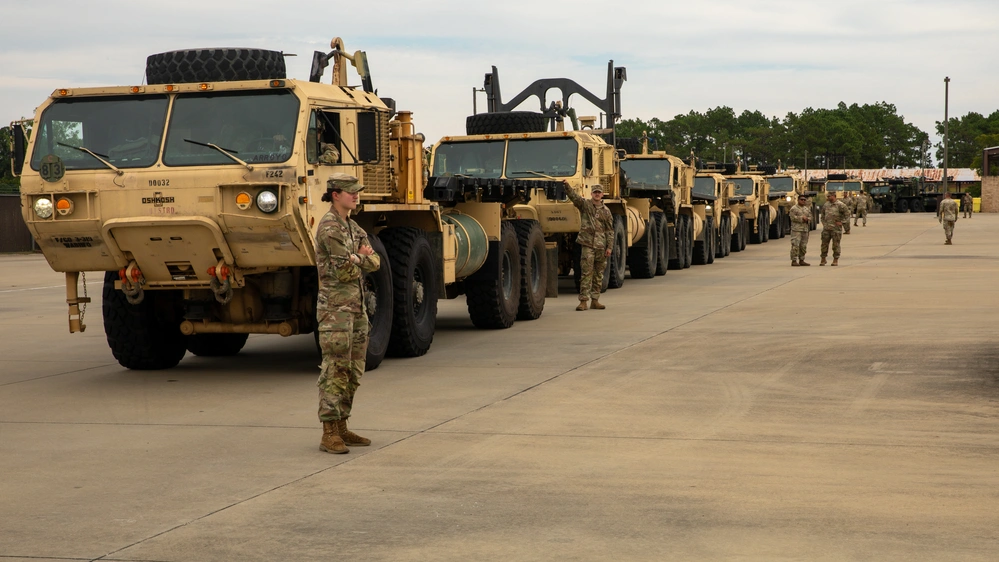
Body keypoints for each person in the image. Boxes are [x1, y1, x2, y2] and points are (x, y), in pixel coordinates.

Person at [315, 173, 381, 454]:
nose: (356, 196)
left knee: (354, 370)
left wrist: (359, 257)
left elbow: (376, 261)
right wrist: (358, 258)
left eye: (357, 192)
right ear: (335, 194)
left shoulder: (353, 227)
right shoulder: (330, 228)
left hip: (357, 309)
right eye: (350, 192)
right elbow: (344, 271)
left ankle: (342, 425)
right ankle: (328, 432)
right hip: (335, 312)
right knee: (335, 369)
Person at [565, 182, 614, 310]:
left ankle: (595, 300)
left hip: (601, 246)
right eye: (595, 192)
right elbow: (574, 197)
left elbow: (609, 231)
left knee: (598, 274)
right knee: (586, 273)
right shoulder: (585, 205)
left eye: (599, 192)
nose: (597, 194)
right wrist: (566, 186)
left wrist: (609, 247)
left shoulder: (607, 212)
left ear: (602, 194)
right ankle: (583, 301)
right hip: (587, 244)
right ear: (591, 193)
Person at [819, 192, 850, 266]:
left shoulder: (840, 205)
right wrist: (823, 223)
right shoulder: (826, 204)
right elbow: (822, 214)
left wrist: (842, 222)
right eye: (827, 196)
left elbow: (847, 215)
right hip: (826, 228)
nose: (828, 197)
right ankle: (823, 259)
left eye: (829, 196)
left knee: (836, 245)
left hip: (836, 229)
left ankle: (835, 259)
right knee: (824, 244)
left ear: (834, 196)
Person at [789, 194, 812, 266]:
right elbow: (792, 217)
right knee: (795, 245)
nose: (803, 201)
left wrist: (807, 219)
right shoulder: (794, 208)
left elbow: (811, 217)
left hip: (805, 230)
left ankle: (802, 259)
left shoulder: (807, 209)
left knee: (803, 246)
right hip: (796, 230)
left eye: (804, 200)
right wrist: (801, 218)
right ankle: (794, 260)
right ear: (798, 200)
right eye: (801, 199)